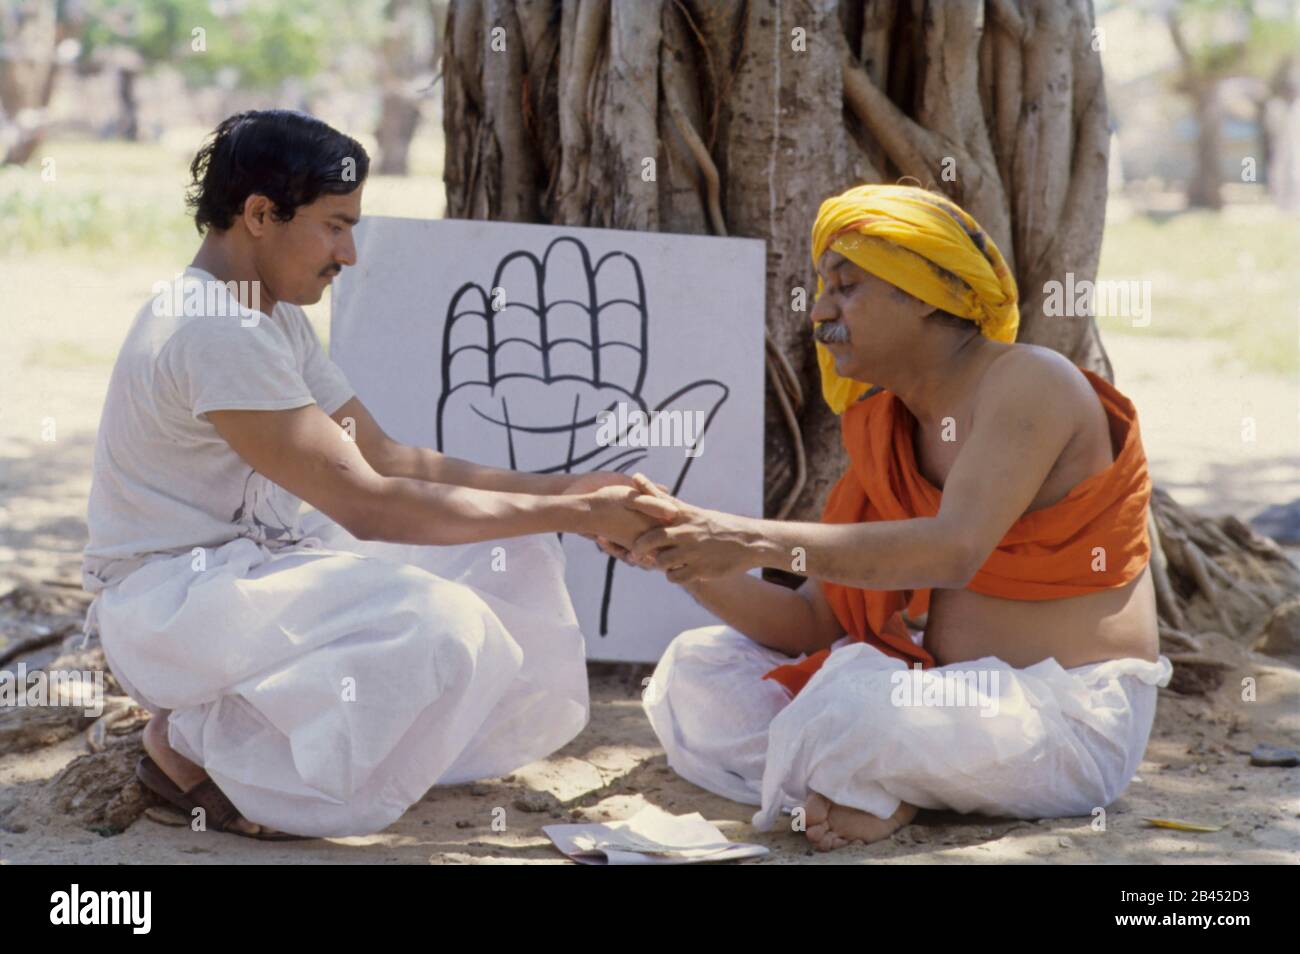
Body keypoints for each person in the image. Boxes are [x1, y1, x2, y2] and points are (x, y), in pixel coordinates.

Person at [80, 109, 665, 839]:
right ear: (260, 214)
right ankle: (193, 748)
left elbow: (383, 457)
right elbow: (368, 505)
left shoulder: (266, 314)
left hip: (248, 571)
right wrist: (581, 518)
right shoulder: (213, 330)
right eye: (334, 225)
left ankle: (272, 741)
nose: (349, 254)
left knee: (511, 553)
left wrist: (564, 491)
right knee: (437, 624)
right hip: (170, 606)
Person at [600, 183, 1172, 852]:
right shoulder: (887, 428)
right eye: (821, 290)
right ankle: (877, 783)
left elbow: (953, 549)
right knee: (697, 672)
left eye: (845, 288)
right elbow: (815, 622)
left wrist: (747, 538)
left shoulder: (1032, 382)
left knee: (856, 706)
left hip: (1064, 721)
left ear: (927, 292)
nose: (820, 312)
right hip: (930, 705)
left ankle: (867, 777)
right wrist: (678, 554)